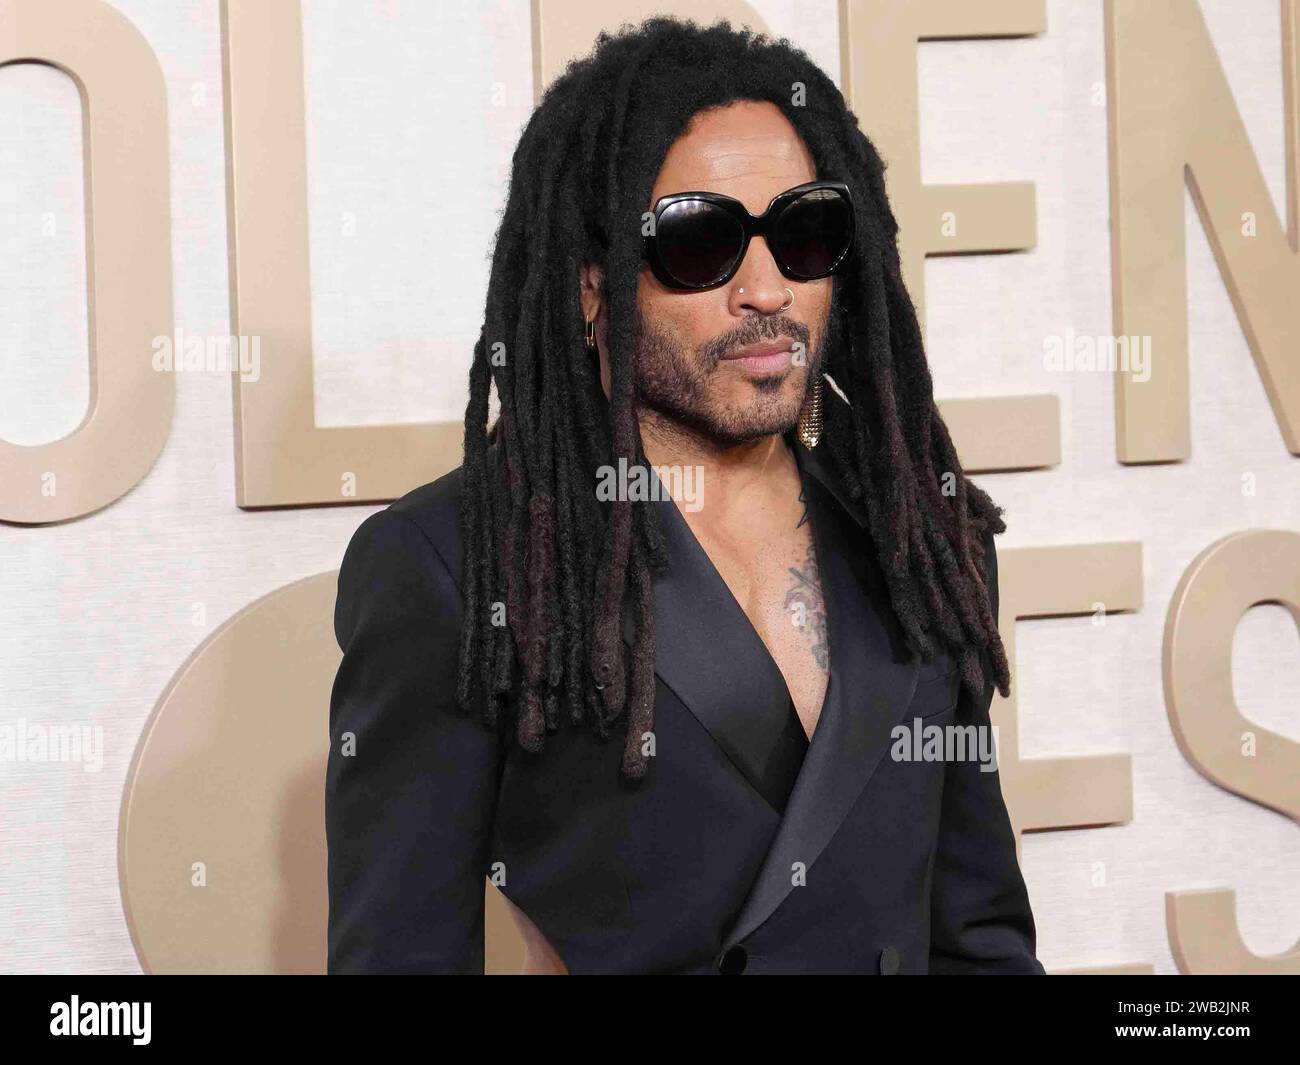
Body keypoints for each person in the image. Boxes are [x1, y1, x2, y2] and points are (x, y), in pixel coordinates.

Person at [325, 16, 1044, 975]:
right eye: (700, 241)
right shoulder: (462, 566)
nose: (767, 290)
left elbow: (978, 938)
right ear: (592, 286)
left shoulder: (924, 539)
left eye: (805, 231)